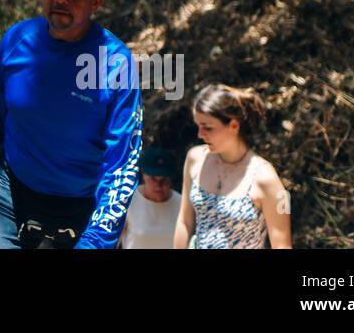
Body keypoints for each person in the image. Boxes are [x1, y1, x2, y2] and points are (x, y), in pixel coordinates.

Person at [0, 0, 142, 249]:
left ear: (97, 1)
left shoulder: (115, 63)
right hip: (10, 195)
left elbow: (122, 164)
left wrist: (96, 241)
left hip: (81, 207)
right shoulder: (16, 41)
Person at [174, 84, 291, 249]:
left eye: (208, 127)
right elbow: (185, 222)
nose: (200, 134)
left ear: (234, 126)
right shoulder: (195, 158)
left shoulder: (265, 178)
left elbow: (282, 246)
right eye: (198, 126)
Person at [119, 146, 181, 248]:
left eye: (164, 179)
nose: (158, 185)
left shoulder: (182, 204)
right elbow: (113, 242)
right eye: (153, 179)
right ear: (143, 175)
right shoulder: (127, 200)